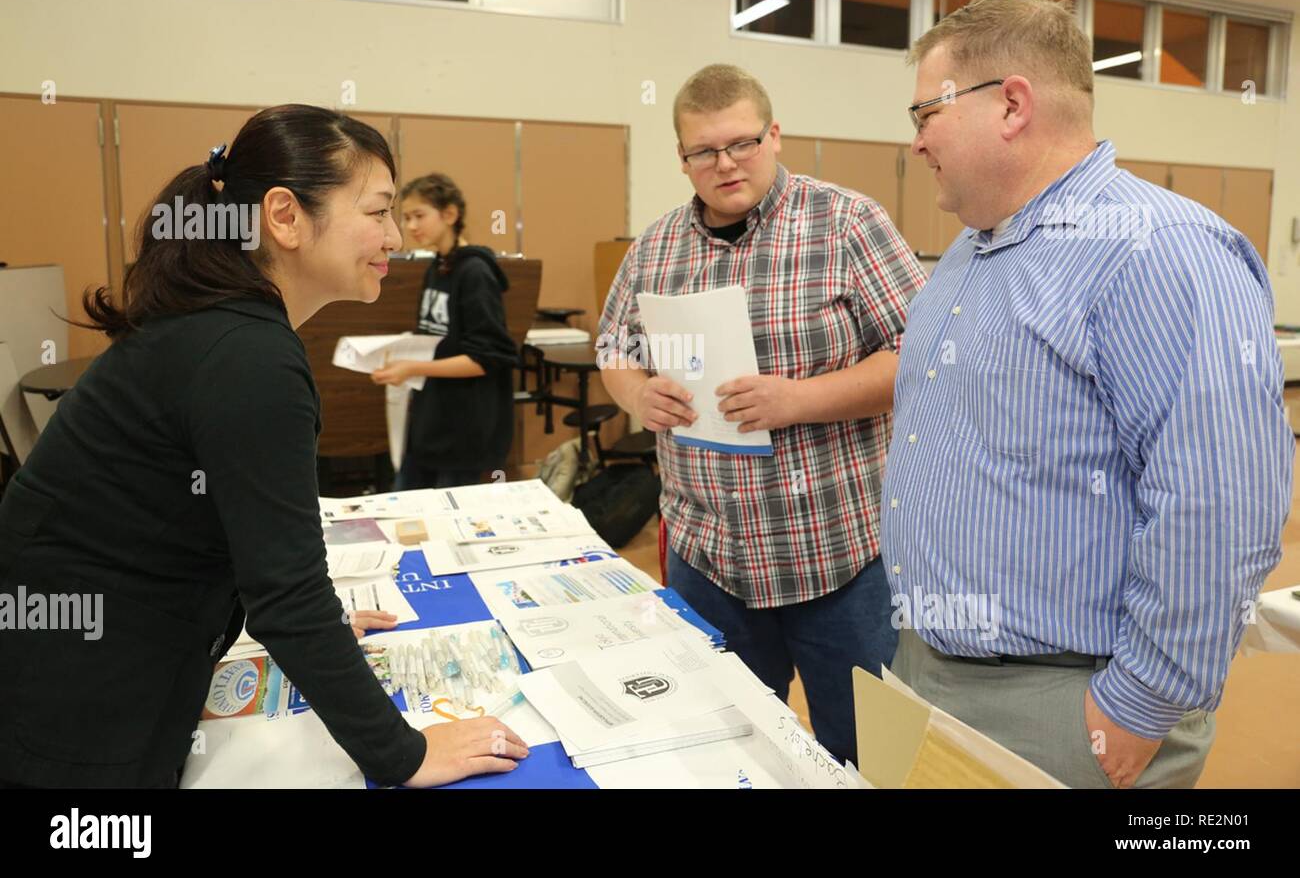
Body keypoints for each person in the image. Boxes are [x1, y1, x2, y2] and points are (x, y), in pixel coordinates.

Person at [0, 105, 527, 787]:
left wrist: (323, 626)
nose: (395, 235)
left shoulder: (226, 329)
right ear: (285, 216)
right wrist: (407, 754)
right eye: (377, 211)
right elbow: (287, 596)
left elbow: (249, 544)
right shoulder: (248, 356)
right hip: (81, 691)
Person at [884, 0, 1293, 787]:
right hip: (928, 665)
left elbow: (1219, 506)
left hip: (1067, 700)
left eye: (924, 113)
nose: (917, 142)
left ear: (1010, 104)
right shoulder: (969, 255)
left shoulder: (1159, 252)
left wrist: (1142, 703)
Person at [598, 64, 926, 764]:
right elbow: (613, 348)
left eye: (742, 143)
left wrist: (798, 399)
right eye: (703, 152)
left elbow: (921, 356)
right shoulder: (655, 248)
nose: (725, 165)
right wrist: (635, 393)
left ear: (775, 135)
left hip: (838, 559)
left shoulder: (847, 223)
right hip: (707, 558)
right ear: (681, 157)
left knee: (867, 757)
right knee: (727, 752)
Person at [372, 173, 516, 490]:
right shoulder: (437, 267)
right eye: (406, 217)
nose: (410, 226)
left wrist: (412, 367)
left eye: (419, 216)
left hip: (465, 428)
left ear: (449, 214)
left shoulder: (475, 273)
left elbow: (487, 358)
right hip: (432, 421)